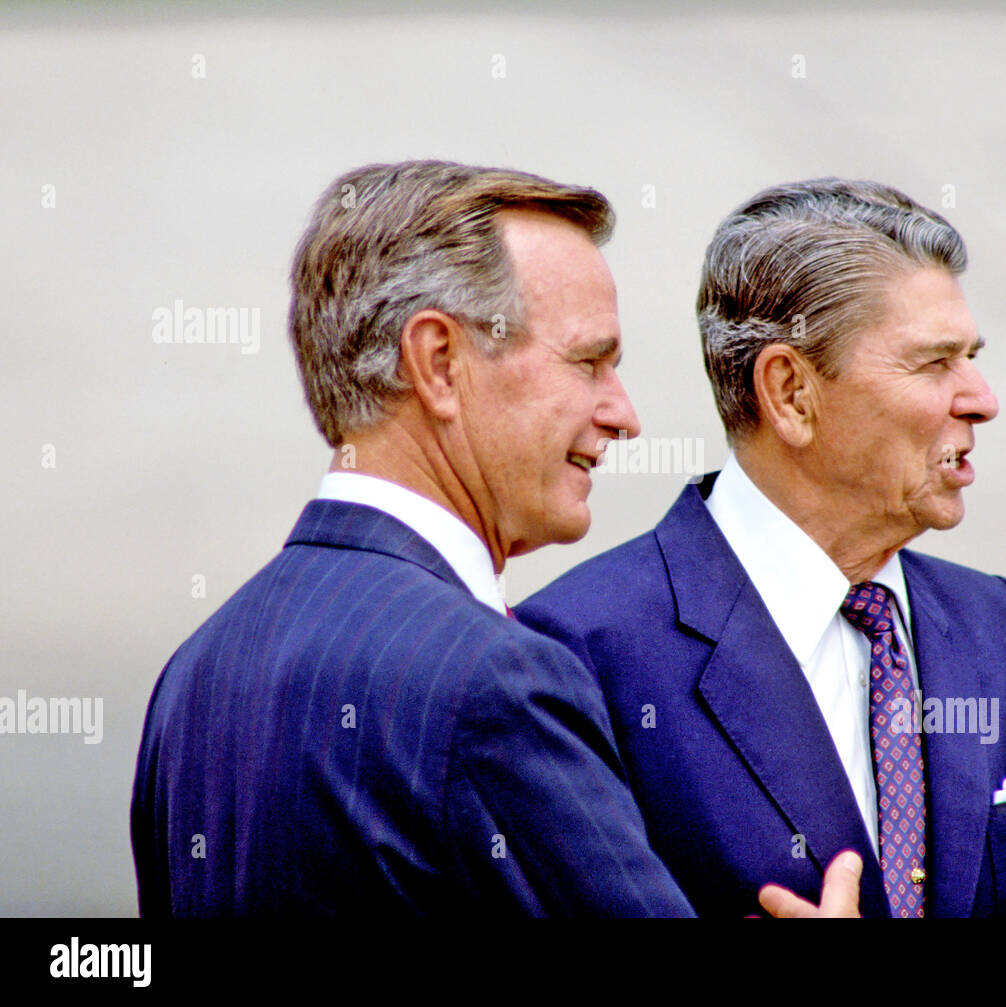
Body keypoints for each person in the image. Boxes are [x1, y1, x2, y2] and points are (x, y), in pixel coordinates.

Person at [129, 160, 862, 917]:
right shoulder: (494, 682)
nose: (624, 413)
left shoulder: (197, 671)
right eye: (589, 362)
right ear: (439, 363)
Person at [517, 178, 1006, 917]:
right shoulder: (573, 653)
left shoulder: (993, 622)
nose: (982, 397)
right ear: (791, 392)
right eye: (934, 362)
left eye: (972, 356)